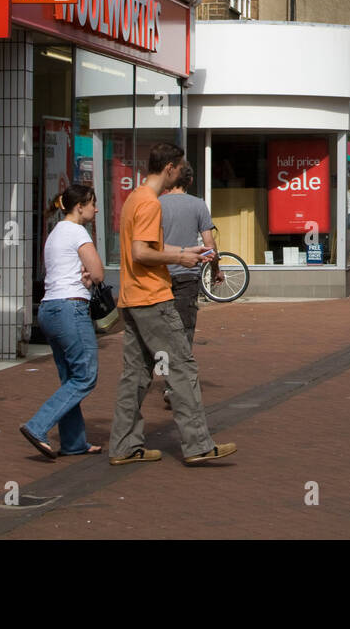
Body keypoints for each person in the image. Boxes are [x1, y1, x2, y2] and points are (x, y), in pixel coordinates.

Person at [109, 143, 235, 467]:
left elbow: (145, 246)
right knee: (181, 366)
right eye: (179, 168)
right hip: (153, 297)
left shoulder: (135, 198)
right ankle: (197, 444)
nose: (181, 173)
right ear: (169, 169)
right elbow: (141, 252)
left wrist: (182, 250)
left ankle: (124, 446)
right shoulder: (150, 203)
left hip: (132, 297)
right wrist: (180, 256)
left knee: (135, 375)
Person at [20, 184, 106, 458]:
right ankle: (38, 425)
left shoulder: (55, 232)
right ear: (79, 206)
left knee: (70, 376)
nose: (96, 208)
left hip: (49, 309)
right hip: (71, 309)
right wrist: (91, 277)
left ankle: (73, 442)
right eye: (93, 203)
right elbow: (99, 273)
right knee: (85, 377)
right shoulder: (78, 231)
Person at [161, 163, 220, 408]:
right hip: (187, 276)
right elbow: (208, 243)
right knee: (184, 330)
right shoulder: (198, 205)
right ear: (190, 181)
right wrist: (216, 269)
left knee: (162, 331)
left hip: (160, 275)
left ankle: (167, 381)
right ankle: (178, 386)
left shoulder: (157, 204)